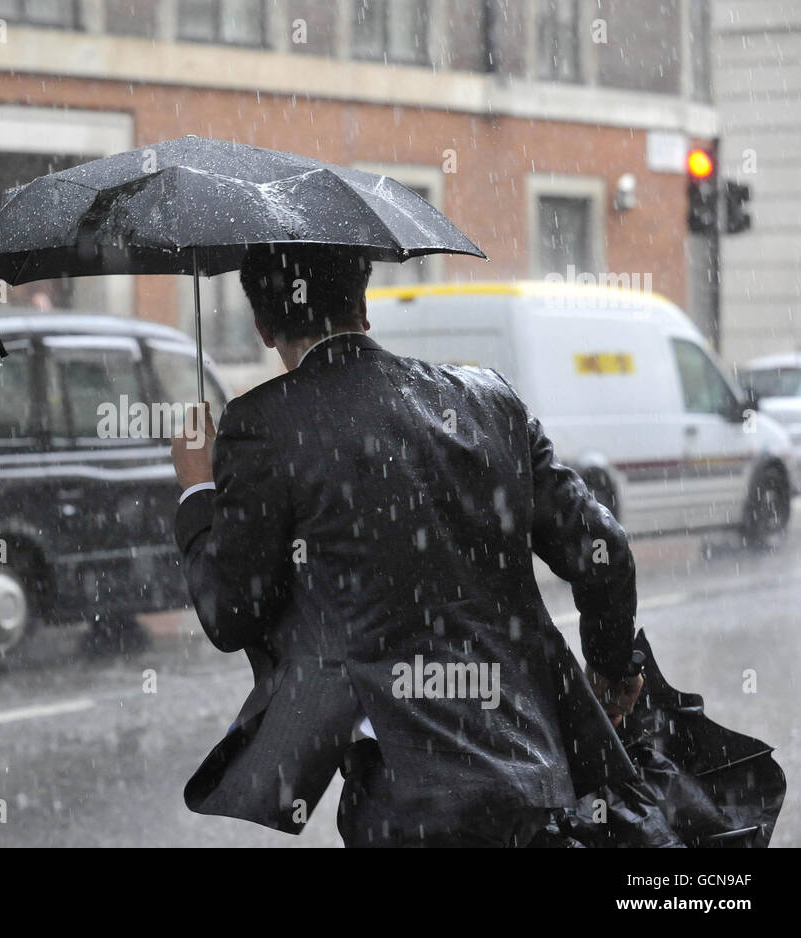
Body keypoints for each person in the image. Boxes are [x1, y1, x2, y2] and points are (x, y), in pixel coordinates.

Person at [170, 243, 646, 847]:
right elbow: (602, 546)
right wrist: (610, 664)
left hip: (409, 807)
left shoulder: (264, 425)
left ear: (264, 328)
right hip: (536, 786)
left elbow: (232, 613)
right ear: (363, 308)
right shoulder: (488, 401)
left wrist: (198, 491)